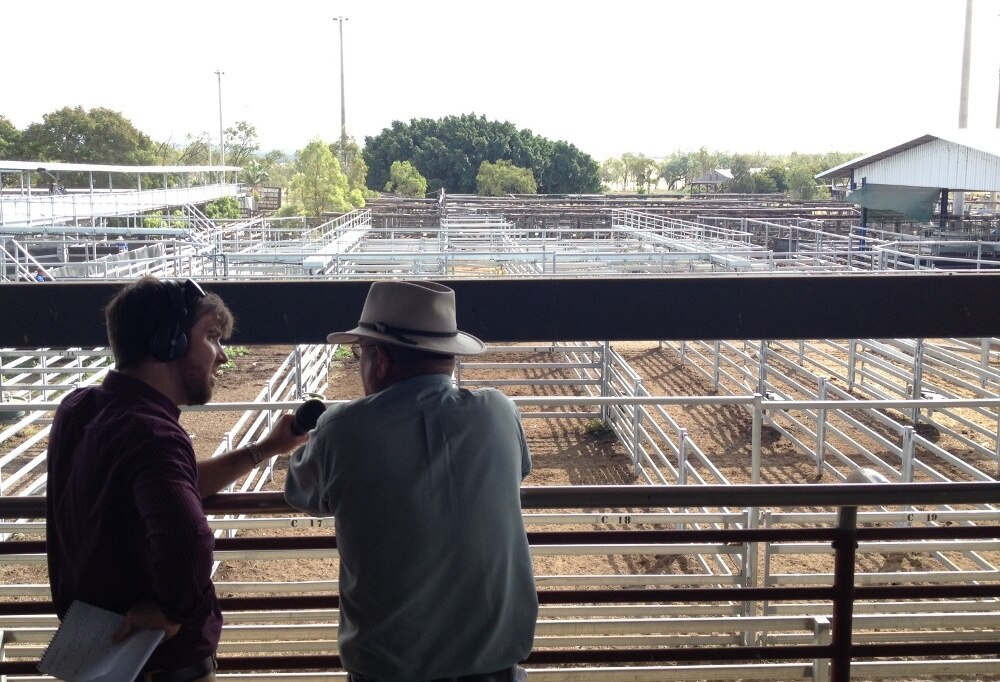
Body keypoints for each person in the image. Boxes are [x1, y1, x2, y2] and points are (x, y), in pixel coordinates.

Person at [46, 276, 309, 682]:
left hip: (90, 650)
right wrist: (172, 610)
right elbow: (189, 538)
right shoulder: (153, 435)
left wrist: (265, 448)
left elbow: (172, 488)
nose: (222, 356)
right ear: (168, 343)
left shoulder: (78, 408)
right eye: (212, 336)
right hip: (160, 663)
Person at [284, 280, 537, 682]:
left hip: (389, 668)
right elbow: (518, 469)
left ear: (380, 359)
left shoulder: (343, 428)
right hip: (495, 665)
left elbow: (302, 493)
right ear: (448, 356)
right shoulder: (499, 413)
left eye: (360, 353)